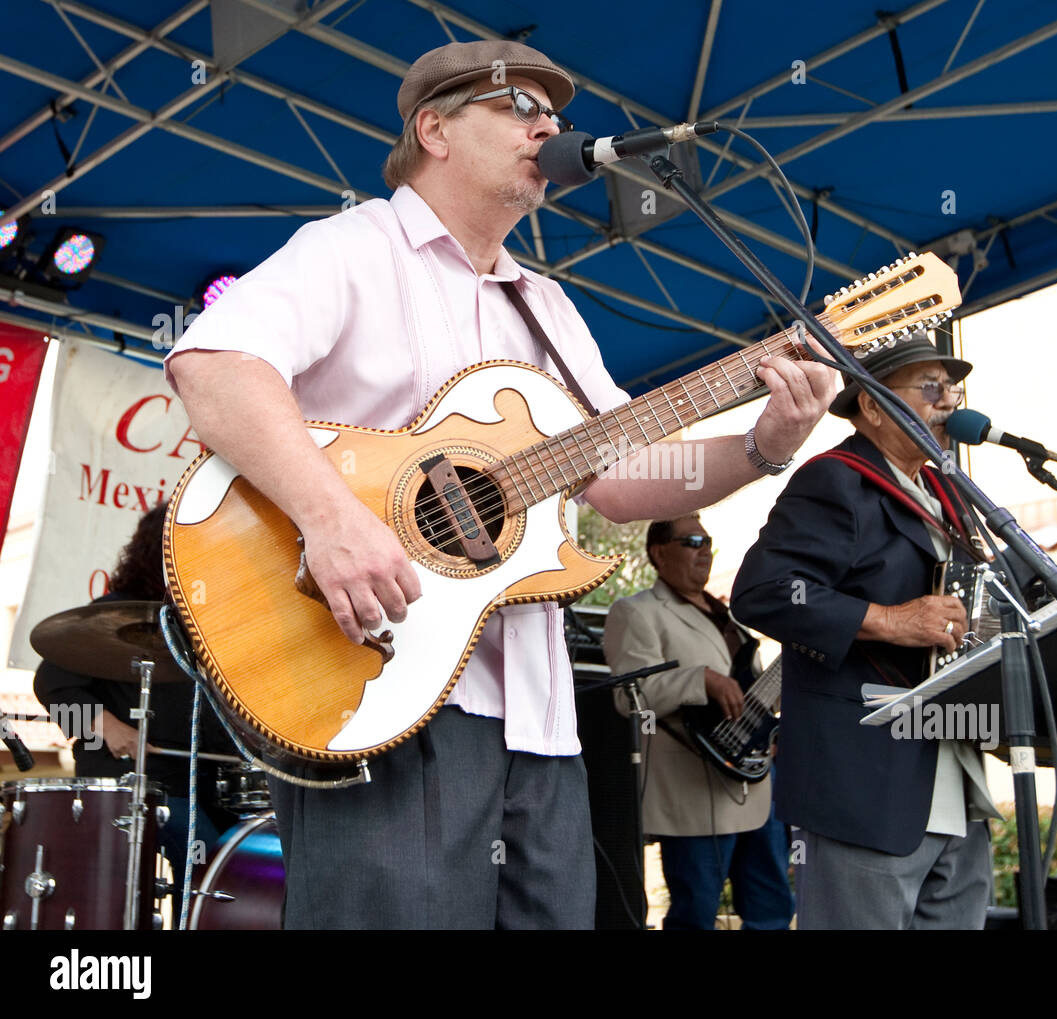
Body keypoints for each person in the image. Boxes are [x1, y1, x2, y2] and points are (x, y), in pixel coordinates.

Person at [163, 39, 834, 929]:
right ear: (434, 128)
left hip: (541, 720)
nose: (550, 127)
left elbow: (621, 474)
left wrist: (765, 442)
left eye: (555, 114)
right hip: (380, 684)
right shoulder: (354, 247)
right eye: (519, 106)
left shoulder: (546, 308)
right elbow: (212, 366)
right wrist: (331, 518)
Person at [730, 332, 999, 929]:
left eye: (951, 389)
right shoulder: (836, 481)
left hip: (955, 774)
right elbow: (763, 591)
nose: (947, 401)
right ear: (873, 407)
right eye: (929, 387)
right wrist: (889, 621)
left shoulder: (946, 496)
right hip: (866, 778)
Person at [32, 502, 239, 922]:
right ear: (160, 552)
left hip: (212, 786)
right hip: (135, 785)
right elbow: (49, 686)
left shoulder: (214, 622)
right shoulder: (115, 615)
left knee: (254, 856)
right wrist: (102, 727)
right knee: (200, 845)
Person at [603, 515, 794, 929]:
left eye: (707, 542)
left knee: (773, 909)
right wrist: (699, 679)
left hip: (755, 785)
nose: (704, 550)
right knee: (696, 913)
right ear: (659, 552)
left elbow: (748, 692)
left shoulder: (731, 618)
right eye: (691, 541)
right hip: (692, 792)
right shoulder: (637, 612)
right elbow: (629, 695)